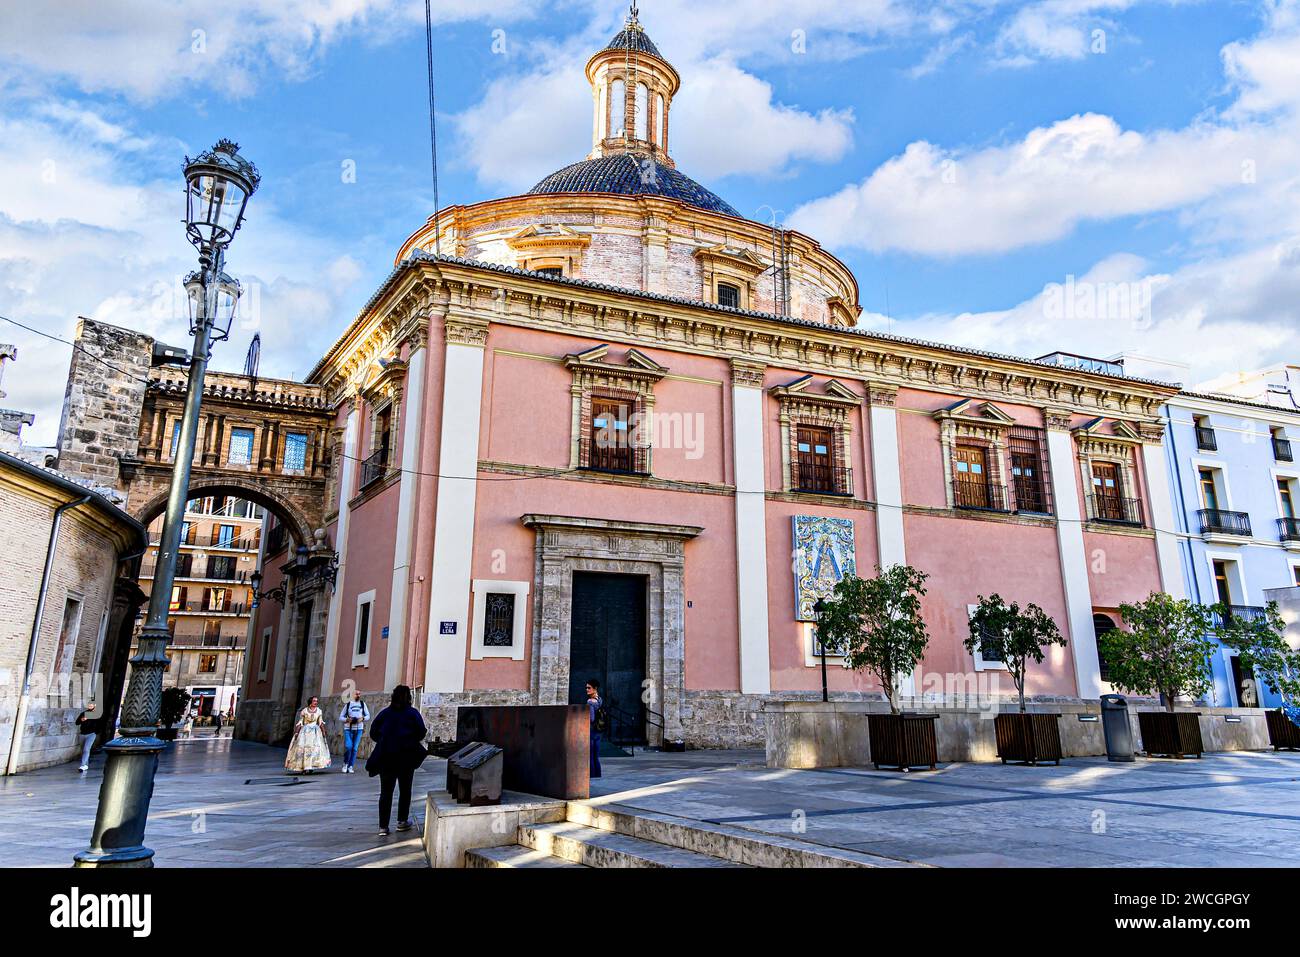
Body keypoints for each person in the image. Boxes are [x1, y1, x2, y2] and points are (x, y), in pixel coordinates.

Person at [366, 686, 427, 836]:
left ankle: (383, 826)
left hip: (386, 757)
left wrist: (384, 740)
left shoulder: (385, 714)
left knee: (386, 792)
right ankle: (402, 821)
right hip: (406, 757)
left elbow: (373, 731)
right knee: (405, 790)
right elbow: (421, 731)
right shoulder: (412, 713)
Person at [284, 695, 332, 773]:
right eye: (314, 701)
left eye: (316, 701)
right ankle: (303, 767)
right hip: (305, 732)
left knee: (314, 749)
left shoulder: (319, 711)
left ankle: (311, 766)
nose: (316, 702)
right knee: (303, 749)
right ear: (310, 702)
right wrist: (296, 732)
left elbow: (320, 722)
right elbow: (300, 722)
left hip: (315, 733)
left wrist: (323, 731)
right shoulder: (304, 711)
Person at [338, 691, 371, 773]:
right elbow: (341, 717)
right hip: (348, 729)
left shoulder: (363, 704)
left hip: (359, 729)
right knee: (349, 746)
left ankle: (351, 766)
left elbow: (368, 716)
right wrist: (347, 720)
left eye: (359, 694)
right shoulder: (348, 704)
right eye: (356, 694)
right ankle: (345, 763)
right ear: (353, 695)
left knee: (355, 748)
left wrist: (362, 719)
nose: (358, 695)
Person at [75, 701, 101, 773]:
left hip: (91, 734)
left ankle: (82, 765)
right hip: (82, 734)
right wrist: (81, 720)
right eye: (89, 704)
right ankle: (85, 765)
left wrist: (96, 732)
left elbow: (100, 723)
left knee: (86, 749)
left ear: (94, 705)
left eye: (91, 704)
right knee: (83, 750)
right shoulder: (83, 713)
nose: (90, 705)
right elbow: (77, 723)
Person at [586, 679, 603, 779]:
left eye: (589, 688)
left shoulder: (590, 702)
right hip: (599, 731)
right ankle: (598, 775)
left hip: (591, 730)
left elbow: (591, 718)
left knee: (591, 756)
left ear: (595, 688)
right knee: (596, 756)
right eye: (586, 688)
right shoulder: (599, 699)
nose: (587, 689)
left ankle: (592, 776)